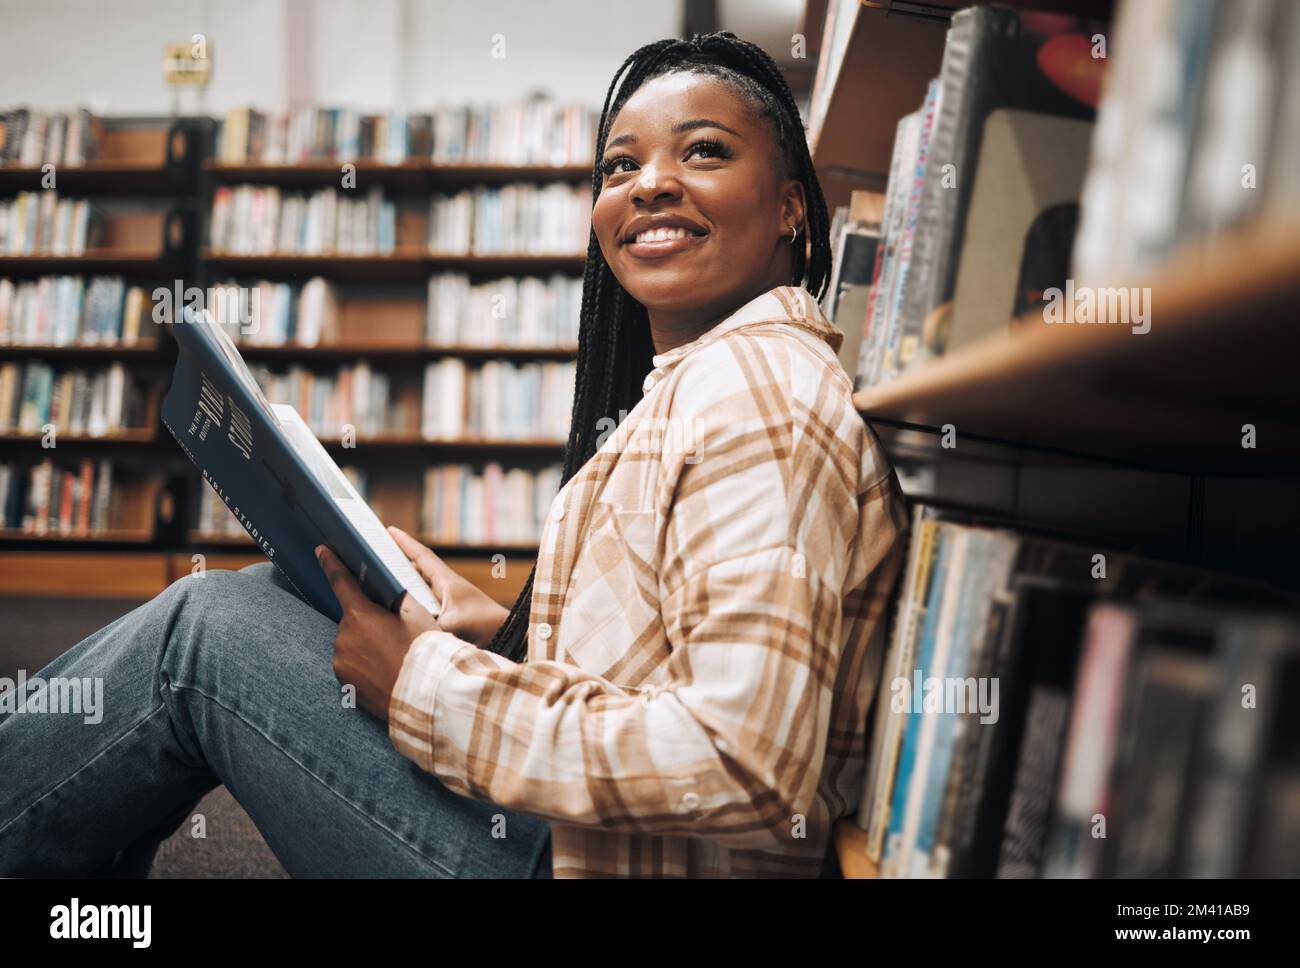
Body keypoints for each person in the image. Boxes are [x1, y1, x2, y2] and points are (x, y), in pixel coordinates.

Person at [0, 30, 907, 878]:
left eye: (703, 151)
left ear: (792, 205)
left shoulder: (759, 397)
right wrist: (503, 640)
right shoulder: (713, 377)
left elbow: (742, 760)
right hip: (573, 841)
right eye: (620, 164)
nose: (650, 184)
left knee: (199, 636)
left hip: (569, 862)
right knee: (268, 596)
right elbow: (668, 664)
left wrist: (429, 683)